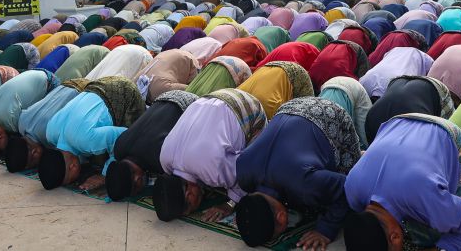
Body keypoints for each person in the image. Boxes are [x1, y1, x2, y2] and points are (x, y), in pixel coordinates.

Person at [343, 114, 461, 251]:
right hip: (397, 124)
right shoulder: (351, 190)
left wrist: (438, 249)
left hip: (446, 132)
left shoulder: (430, 201)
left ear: (394, 237)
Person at [234, 97, 363, 250]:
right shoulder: (242, 172)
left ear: (282, 218)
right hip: (288, 107)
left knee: (354, 196)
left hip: (329, 114)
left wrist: (326, 229)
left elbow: (346, 186)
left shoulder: (305, 185)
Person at [155, 87, 267, 223]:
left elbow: (245, 171)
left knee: (259, 161)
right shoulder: (164, 159)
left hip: (246, 105)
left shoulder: (213, 172)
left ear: (189, 194)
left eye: (191, 207)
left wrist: (230, 204)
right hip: (207, 99)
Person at [106, 90, 198, 201]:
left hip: (192, 106)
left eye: (137, 189)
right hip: (165, 96)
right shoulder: (119, 149)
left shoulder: (158, 159)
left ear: (137, 179)